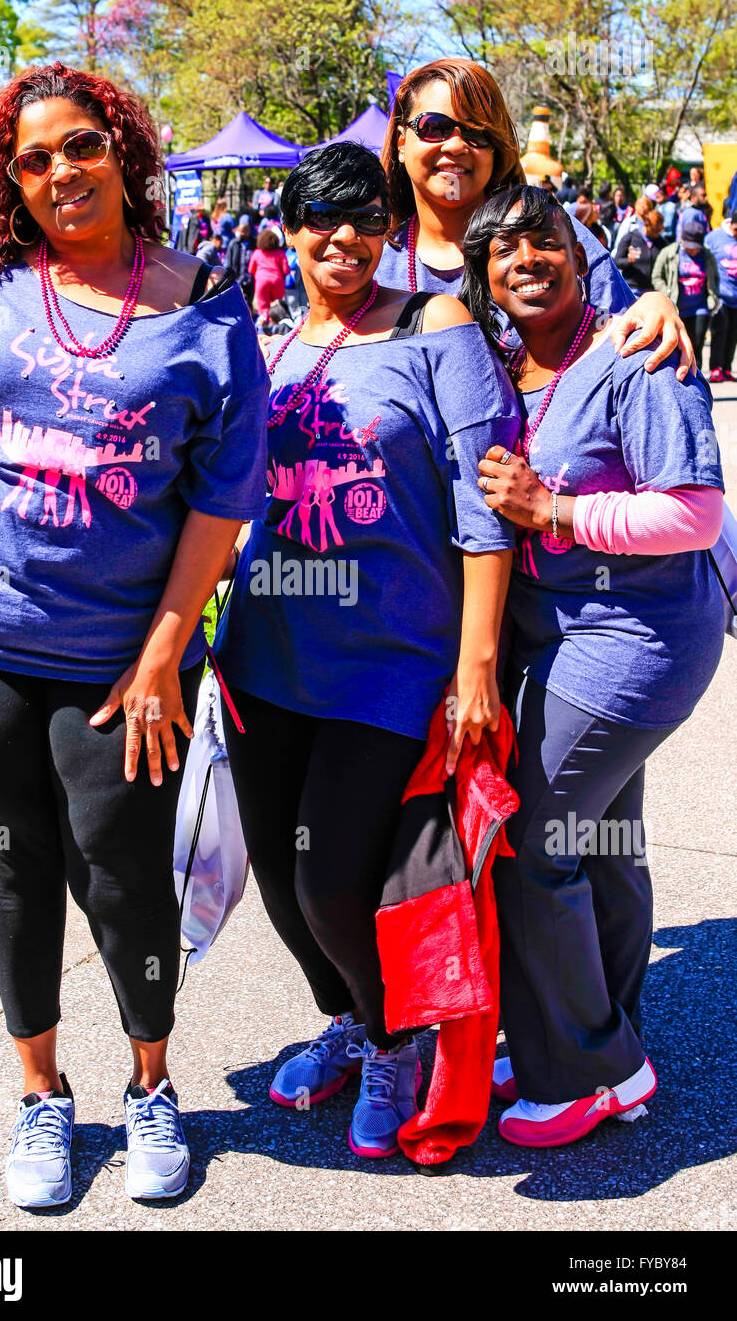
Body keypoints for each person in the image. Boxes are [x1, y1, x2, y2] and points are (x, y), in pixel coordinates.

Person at [0, 61, 268, 1208]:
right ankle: (43, 1097)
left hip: (119, 655)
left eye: (80, 146)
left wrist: (161, 649)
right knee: (12, 856)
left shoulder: (203, 303)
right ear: (10, 180)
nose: (60, 172)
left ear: (123, 150)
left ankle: (151, 1084)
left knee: (125, 870)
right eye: (31, 159)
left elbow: (221, 495)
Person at [213, 141, 521, 1159]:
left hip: (389, 658)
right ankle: (350, 1016)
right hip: (264, 653)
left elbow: (486, 503)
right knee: (274, 871)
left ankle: (396, 1041)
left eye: (362, 218)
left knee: (327, 877)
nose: (339, 237)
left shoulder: (433, 325)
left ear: (390, 231)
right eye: (317, 218)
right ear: (287, 233)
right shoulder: (274, 343)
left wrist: (475, 659)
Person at [462, 184, 724, 1147]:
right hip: (562, 637)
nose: (526, 259)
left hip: (634, 643)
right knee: (605, 840)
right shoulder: (501, 363)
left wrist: (555, 512)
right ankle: (596, 1027)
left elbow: (694, 512)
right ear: (484, 278)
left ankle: (591, 1070)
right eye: (505, 252)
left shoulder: (632, 354)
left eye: (546, 242)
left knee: (537, 846)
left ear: (581, 256)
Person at [377, 59, 695, 378]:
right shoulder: (374, 259)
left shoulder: (553, 240)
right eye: (435, 127)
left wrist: (653, 305)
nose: (457, 145)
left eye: (476, 132)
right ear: (402, 141)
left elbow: (638, 353)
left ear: (495, 148)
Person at [653, 219, 720, 367]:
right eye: (690, 247)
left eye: (696, 247)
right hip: (677, 307)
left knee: (697, 343)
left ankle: (698, 378)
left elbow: (715, 277)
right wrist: (667, 292)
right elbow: (656, 277)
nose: (693, 250)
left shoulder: (706, 255)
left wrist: (714, 298)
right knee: (679, 344)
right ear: (682, 240)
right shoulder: (669, 253)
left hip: (700, 307)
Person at [705, 201, 737, 380]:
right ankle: (715, 368)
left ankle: (726, 368)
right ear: (731, 223)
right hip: (721, 294)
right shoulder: (714, 237)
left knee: (733, 333)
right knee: (720, 330)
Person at [612, 198, 665, 297]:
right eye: (655, 230)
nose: (658, 233)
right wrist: (629, 260)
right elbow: (616, 261)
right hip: (633, 289)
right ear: (647, 226)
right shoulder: (630, 238)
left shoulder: (661, 243)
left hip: (652, 291)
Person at [248, 226, 290, 328]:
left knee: (263, 307)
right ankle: (278, 328)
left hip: (261, 282)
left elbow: (250, 270)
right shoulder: (280, 253)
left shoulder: (257, 252)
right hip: (277, 281)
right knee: (277, 305)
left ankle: (264, 328)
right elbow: (286, 270)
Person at [224, 217, 255, 304]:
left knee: (249, 302)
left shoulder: (255, 243)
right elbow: (228, 260)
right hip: (237, 278)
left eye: (242, 231)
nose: (240, 233)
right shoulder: (233, 243)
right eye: (239, 231)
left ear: (248, 232)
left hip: (250, 279)